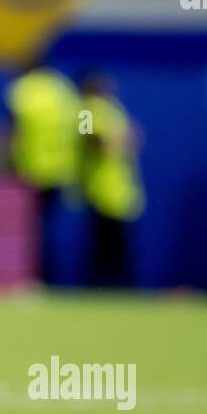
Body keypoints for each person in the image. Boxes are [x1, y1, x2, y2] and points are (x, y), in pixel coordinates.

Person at [3, 63, 80, 285]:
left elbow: (12, 130)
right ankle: (50, 278)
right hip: (62, 170)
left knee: (29, 230)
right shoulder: (62, 87)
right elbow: (83, 116)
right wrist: (87, 137)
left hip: (31, 171)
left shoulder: (22, 89)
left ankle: (30, 279)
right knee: (49, 229)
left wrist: (8, 165)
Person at [78, 74, 143, 287]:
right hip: (99, 188)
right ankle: (101, 287)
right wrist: (115, 142)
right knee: (103, 247)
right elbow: (87, 137)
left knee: (115, 247)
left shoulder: (111, 109)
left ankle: (117, 287)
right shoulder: (86, 108)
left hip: (116, 189)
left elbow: (135, 136)